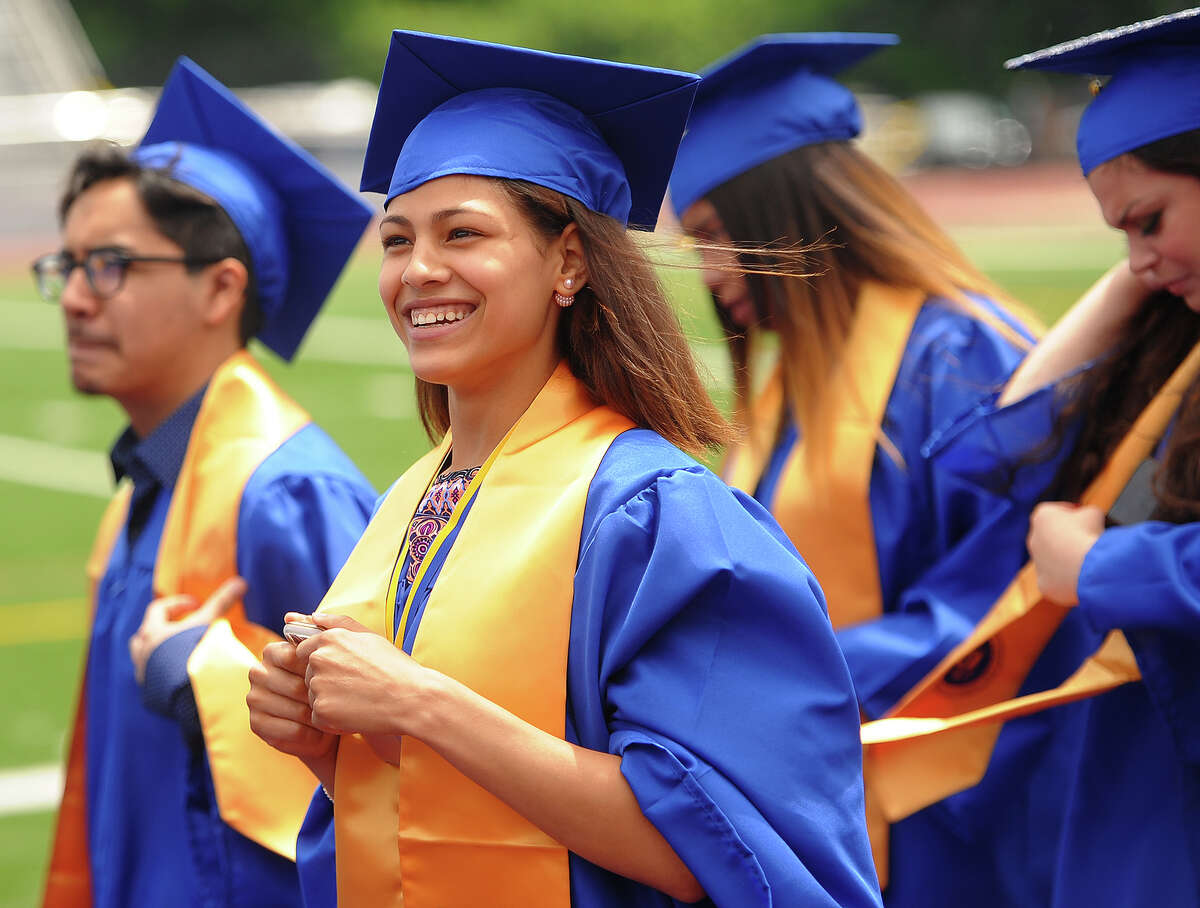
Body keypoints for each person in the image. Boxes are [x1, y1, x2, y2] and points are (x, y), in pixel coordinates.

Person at [245, 30, 882, 908]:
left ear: (569, 263)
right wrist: (331, 746)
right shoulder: (415, 498)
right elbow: (447, 815)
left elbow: (720, 850)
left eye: (462, 233)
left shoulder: (656, 515)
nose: (419, 269)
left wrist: (420, 706)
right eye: (396, 241)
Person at [865, 10, 1200, 905]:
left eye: (1150, 219)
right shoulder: (1183, 354)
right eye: (1118, 237)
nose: (1138, 259)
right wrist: (1143, 267)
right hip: (1142, 785)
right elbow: (1000, 448)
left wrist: (1100, 564)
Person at [37, 58, 377, 908]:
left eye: (109, 265)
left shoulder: (286, 490)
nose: (75, 299)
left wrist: (210, 679)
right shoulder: (146, 484)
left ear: (220, 288)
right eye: (68, 266)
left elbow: (377, 765)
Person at [666, 33, 1036, 723]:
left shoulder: (959, 358)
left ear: (791, 216)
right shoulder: (794, 377)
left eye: (718, 233)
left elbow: (1000, 603)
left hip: (947, 789)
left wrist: (781, 683)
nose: (710, 271)